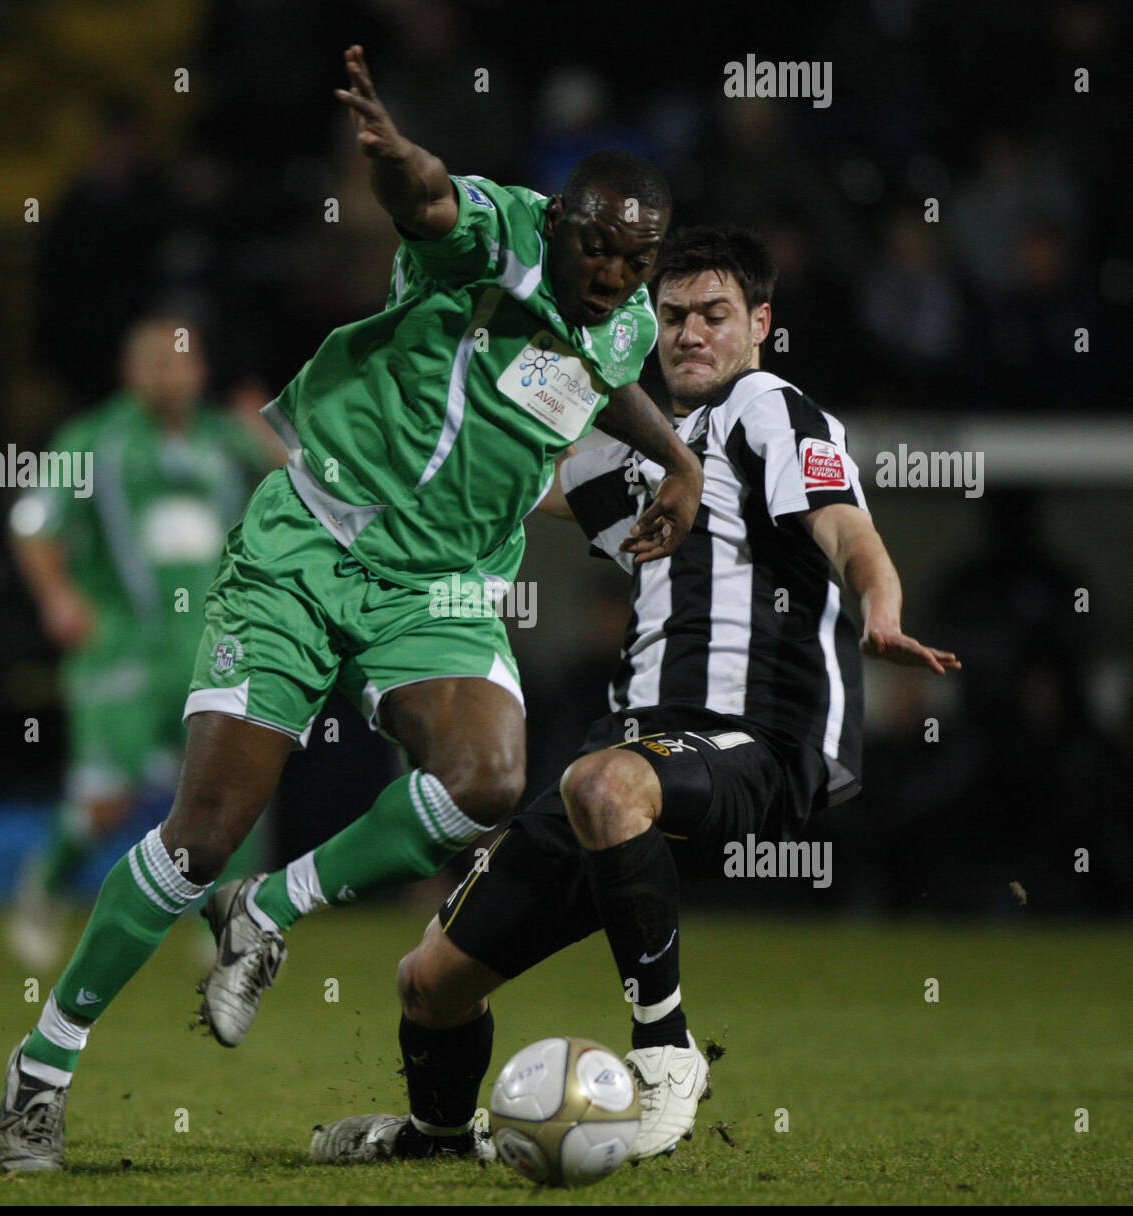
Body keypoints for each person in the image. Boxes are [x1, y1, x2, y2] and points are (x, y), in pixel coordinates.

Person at [0, 45, 703, 1172]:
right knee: (199, 835)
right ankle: (44, 1065)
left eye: (638, 259)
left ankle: (267, 909)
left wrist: (676, 454)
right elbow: (426, 200)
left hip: (438, 586)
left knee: (486, 781)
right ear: (562, 221)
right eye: (598, 248)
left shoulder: (622, 320)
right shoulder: (500, 235)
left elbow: (599, 371)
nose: (615, 275)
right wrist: (393, 156)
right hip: (309, 545)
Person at [308, 225, 961, 1165]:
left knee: (604, 785)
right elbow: (515, 471)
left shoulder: (768, 408)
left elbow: (846, 526)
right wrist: (437, 386)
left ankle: (665, 1053)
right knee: (428, 982)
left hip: (756, 735)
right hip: (633, 750)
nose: (690, 332)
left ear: (760, 324)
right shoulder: (639, 450)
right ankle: (437, 1137)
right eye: (674, 314)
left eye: (715, 314)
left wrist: (882, 608)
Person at [5, 318, 269, 970]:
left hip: (213, 641)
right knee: (105, 800)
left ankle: (230, 923)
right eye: (156, 363)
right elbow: (32, 524)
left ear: (200, 370)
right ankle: (44, 886)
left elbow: (311, 488)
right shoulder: (92, 440)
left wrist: (271, 437)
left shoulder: (226, 437)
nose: (170, 375)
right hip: (124, 646)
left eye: (182, 362)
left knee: (239, 778)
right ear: (131, 372)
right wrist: (58, 598)